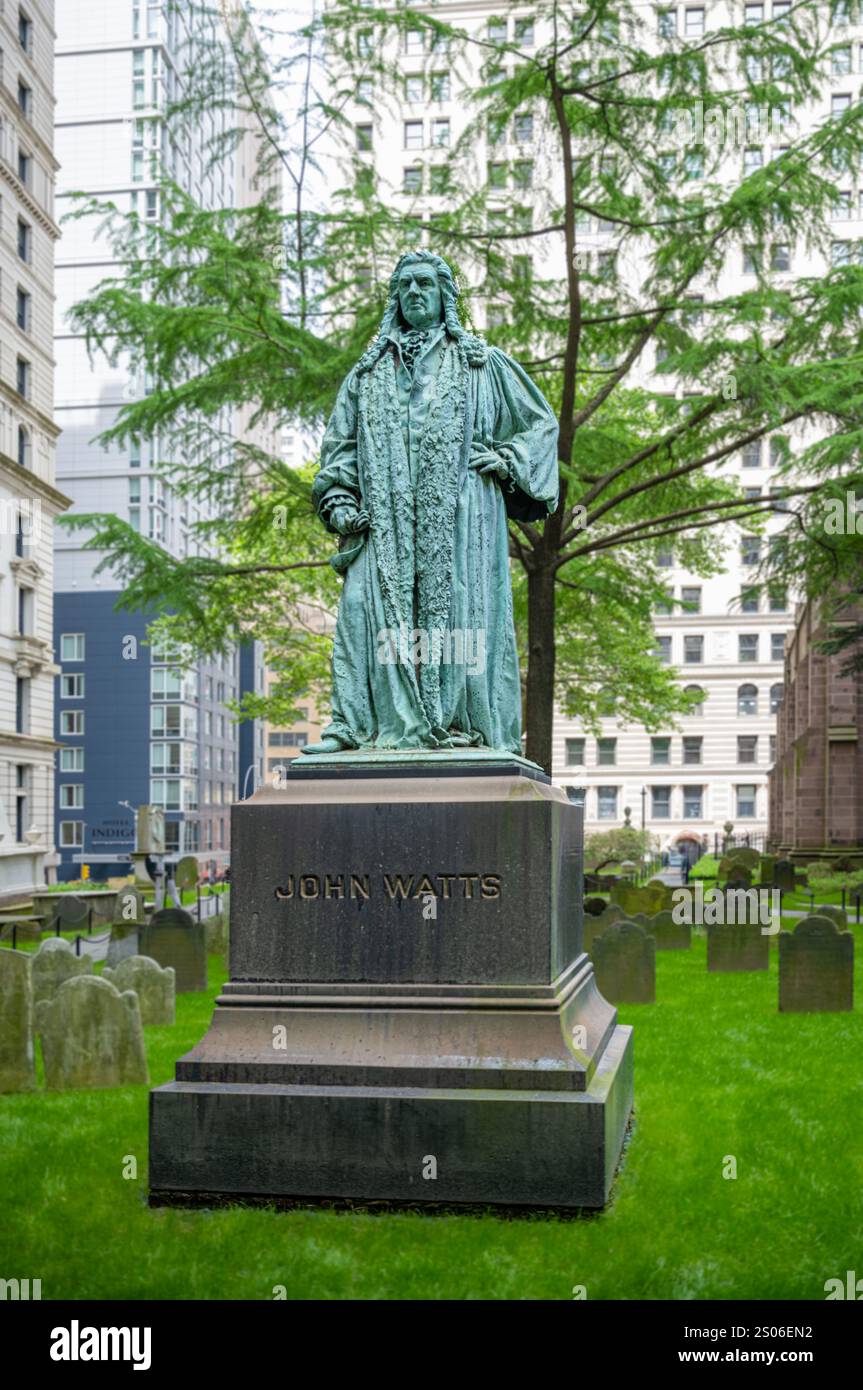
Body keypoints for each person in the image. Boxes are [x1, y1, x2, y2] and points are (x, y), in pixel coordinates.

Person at [302, 250, 559, 756]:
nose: (414, 293)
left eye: (425, 284)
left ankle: (465, 725)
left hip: (463, 518)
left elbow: (540, 425)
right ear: (395, 298)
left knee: (460, 618)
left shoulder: (481, 362)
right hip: (384, 518)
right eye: (405, 286)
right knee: (360, 610)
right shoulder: (368, 372)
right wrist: (337, 500)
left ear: (445, 296)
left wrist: (508, 460)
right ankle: (354, 725)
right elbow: (340, 450)